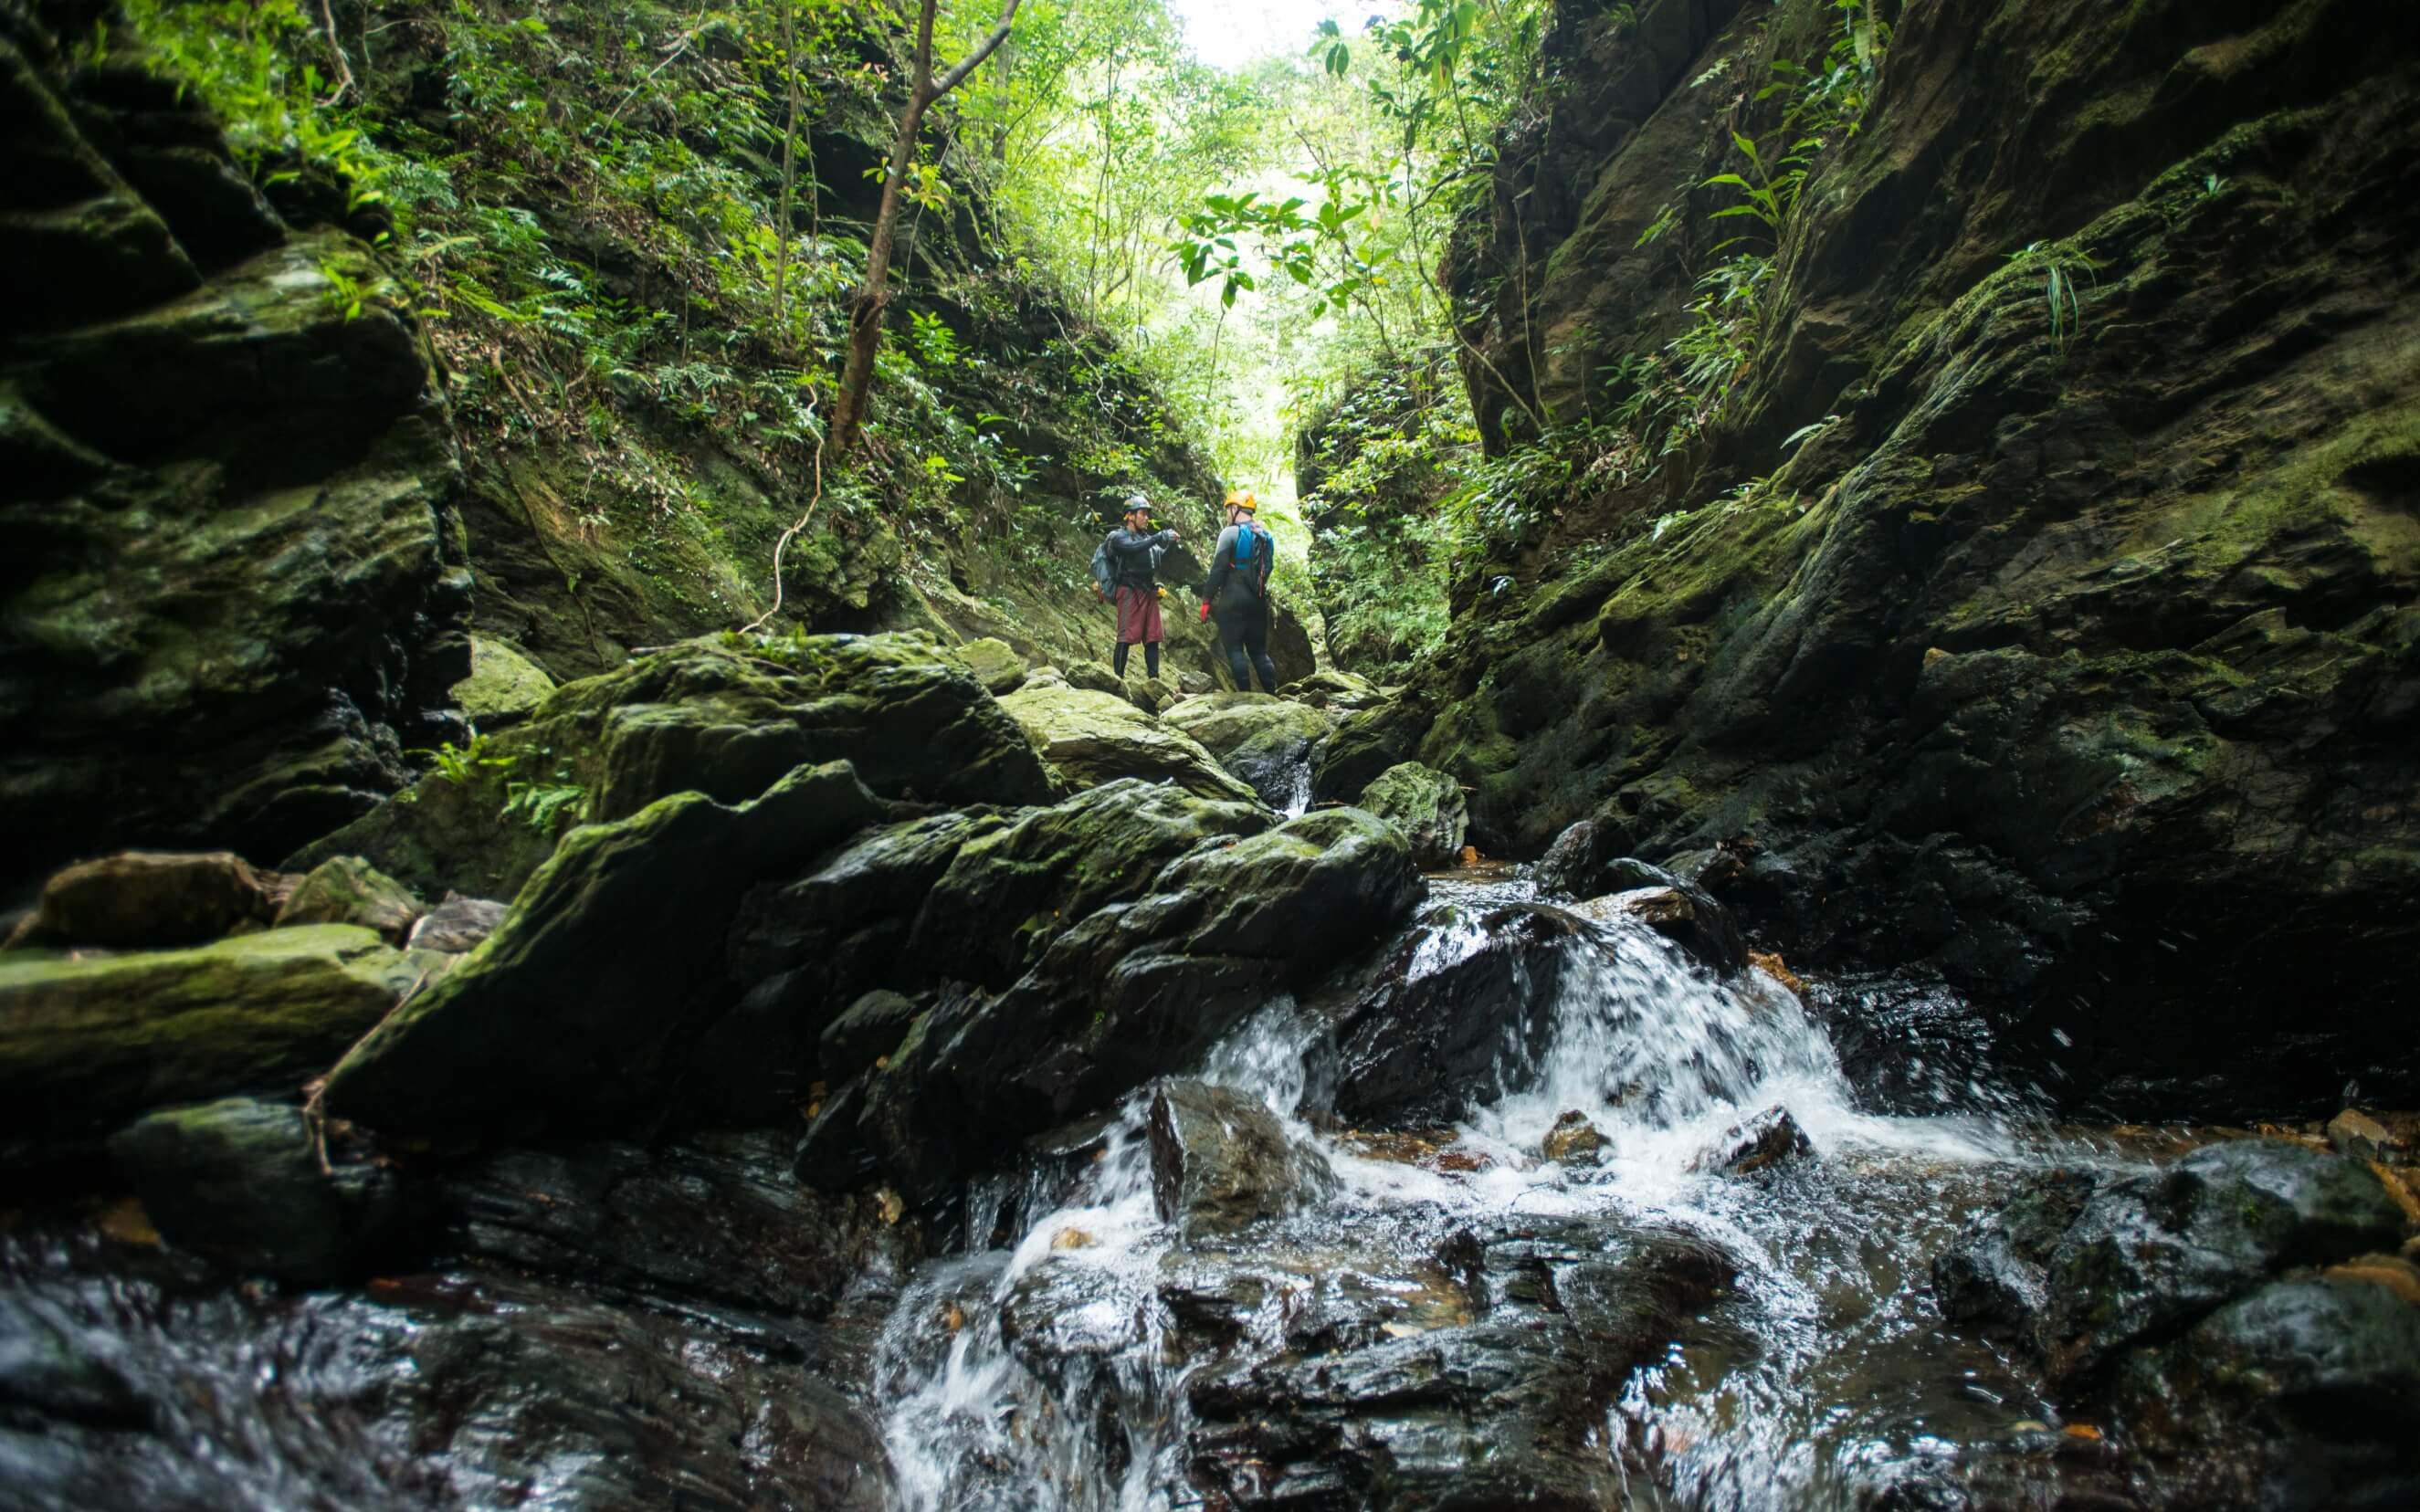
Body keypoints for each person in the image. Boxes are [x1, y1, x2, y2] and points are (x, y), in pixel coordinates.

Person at [1202, 489, 1278, 692]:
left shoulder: (1230, 533)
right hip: (1259, 601)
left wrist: (1207, 599)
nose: (1227, 515)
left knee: (1235, 649)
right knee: (1259, 652)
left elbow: (1218, 569)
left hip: (1233, 599)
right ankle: (1273, 694)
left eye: (1228, 510)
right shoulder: (1266, 536)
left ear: (1235, 509)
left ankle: (1245, 696)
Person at [1097, 494, 1179, 679]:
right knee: (1125, 636)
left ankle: (1154, 680)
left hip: (1148, 592)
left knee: (1152, 637)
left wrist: (1170, 544)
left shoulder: (1146, 538)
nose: (1147, 518)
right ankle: (1118, 678)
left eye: (1147, 514)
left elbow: (1157, 557)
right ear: (1130, 516)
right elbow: (1133, 549)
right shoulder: (1119, 537)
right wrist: (1159, 536)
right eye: (1143, 513)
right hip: (1128, 591)